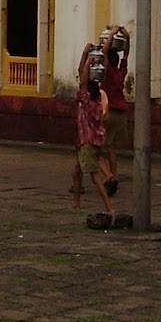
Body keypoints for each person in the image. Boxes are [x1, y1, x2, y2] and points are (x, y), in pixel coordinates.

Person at [70, 66, 114, 218]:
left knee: (94, 176)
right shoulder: (98, 106)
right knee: (76, 172)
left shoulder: (87, 106)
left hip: (87, 143)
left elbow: (82, 84)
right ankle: (76, 203)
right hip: (93, 142)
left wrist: (88, 61)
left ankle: (109, 207)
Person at [98, 26, 131, 192]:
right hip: (121, 113)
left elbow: (103, 52)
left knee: (97, 147)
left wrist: (111, 34)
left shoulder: (108, 72)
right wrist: (127, 36)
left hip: (108, 111)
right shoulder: (121, 71)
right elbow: (126, 54)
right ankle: (115, 174)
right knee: (112, 148)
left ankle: (108, 175)